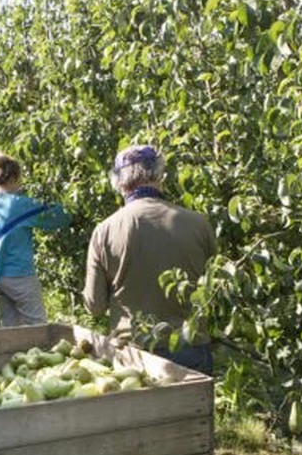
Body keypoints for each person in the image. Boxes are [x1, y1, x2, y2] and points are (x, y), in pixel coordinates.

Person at [82, 144, 218, 375]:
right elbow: (215, 292)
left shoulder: (104, 231)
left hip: (134, 353)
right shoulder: (198, 224)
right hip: (190, 347)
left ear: (119, 182)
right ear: (159, 175)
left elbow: (95, 306)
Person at [0, 151, 71, 326]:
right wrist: (70, 207)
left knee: (11, 326)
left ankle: (13, 345)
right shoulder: (19, 204)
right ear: (14, 178)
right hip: (19, 275)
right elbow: (58, 217)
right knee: (37, 325)